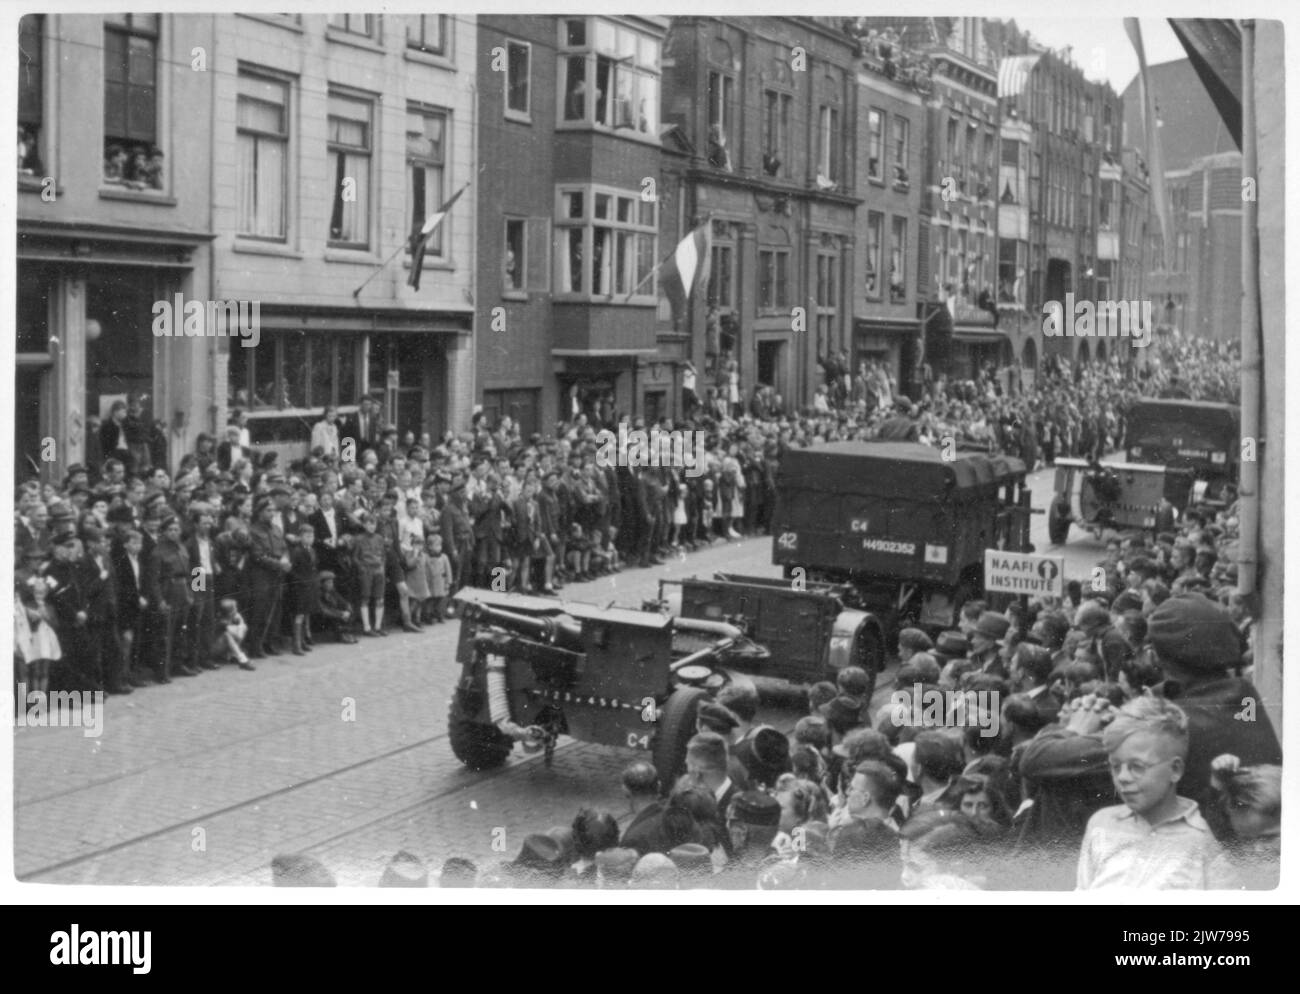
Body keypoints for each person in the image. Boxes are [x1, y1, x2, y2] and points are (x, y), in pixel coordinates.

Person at [1077, 696, 1236, 889]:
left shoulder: (1201, 839)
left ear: (1175, 770)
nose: (1123, 777)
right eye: (1115, 766)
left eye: (1137, 767)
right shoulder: (1101, 825)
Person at [211, 598, 255, 670]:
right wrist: (240, 622)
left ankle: (231, 655)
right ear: (230, 612)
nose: (236, 609)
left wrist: (240, 622)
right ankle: (242, 659)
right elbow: (239, 636)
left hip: (220, 646)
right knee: (227, 634)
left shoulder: (232, 617)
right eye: (235, 608)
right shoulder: (222, 622)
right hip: (214, 648)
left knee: (243, 627)